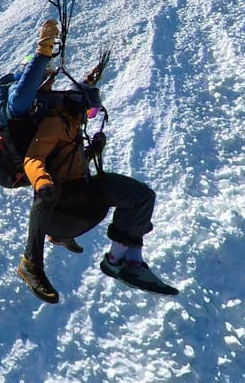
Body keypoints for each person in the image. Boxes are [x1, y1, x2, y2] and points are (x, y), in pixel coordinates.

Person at [10, 19, 178, 303]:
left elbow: (70, 163)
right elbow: (33, 158)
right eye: (88, 112)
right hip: (63, 207)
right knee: (47, 194)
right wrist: (42, 181)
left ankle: (123, 260)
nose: (88, 118)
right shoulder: (53, 122)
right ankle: (31, 262)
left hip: (81, 196)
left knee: (141, 197)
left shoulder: (73, 126)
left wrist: (93, 151)